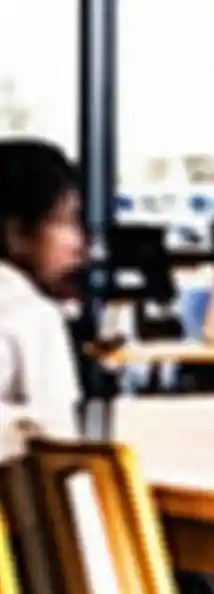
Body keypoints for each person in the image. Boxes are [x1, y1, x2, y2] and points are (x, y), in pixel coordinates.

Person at [0, 140, 85, 459]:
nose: (79, 243)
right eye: (66, 222)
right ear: (16, 232)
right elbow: (59, 449)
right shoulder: (28, 312)